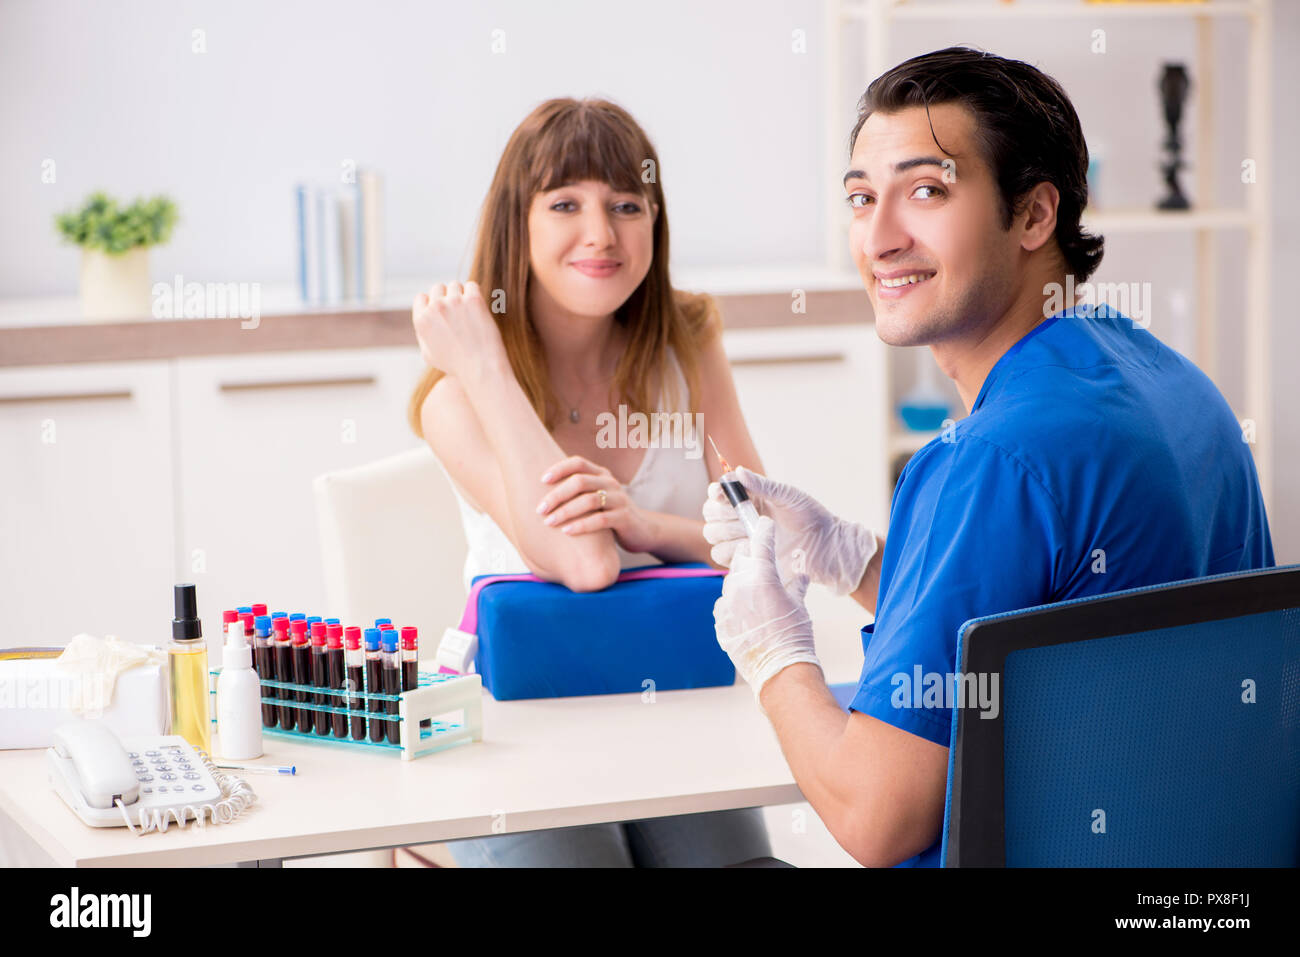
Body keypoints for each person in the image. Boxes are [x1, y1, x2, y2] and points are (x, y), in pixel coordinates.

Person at [705, 46, 1274, 868]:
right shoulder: (1174, 382)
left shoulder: (990, 458)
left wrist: (775, 652)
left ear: (1035, 216)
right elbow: (1054, 622)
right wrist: (857, 558)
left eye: (927, 191)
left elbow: (875, 816)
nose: (880, 237)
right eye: (862, 199)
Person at [407, 97, 772, 866]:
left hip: (676, 706)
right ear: (519, 224)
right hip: (513, 731)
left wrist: (652, 527)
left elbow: (767, 536)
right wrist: (484, 366)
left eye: (626, 205)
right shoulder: (457, 394)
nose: (601, 234)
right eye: (566, 203)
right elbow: (585, 562)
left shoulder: (688, 340)